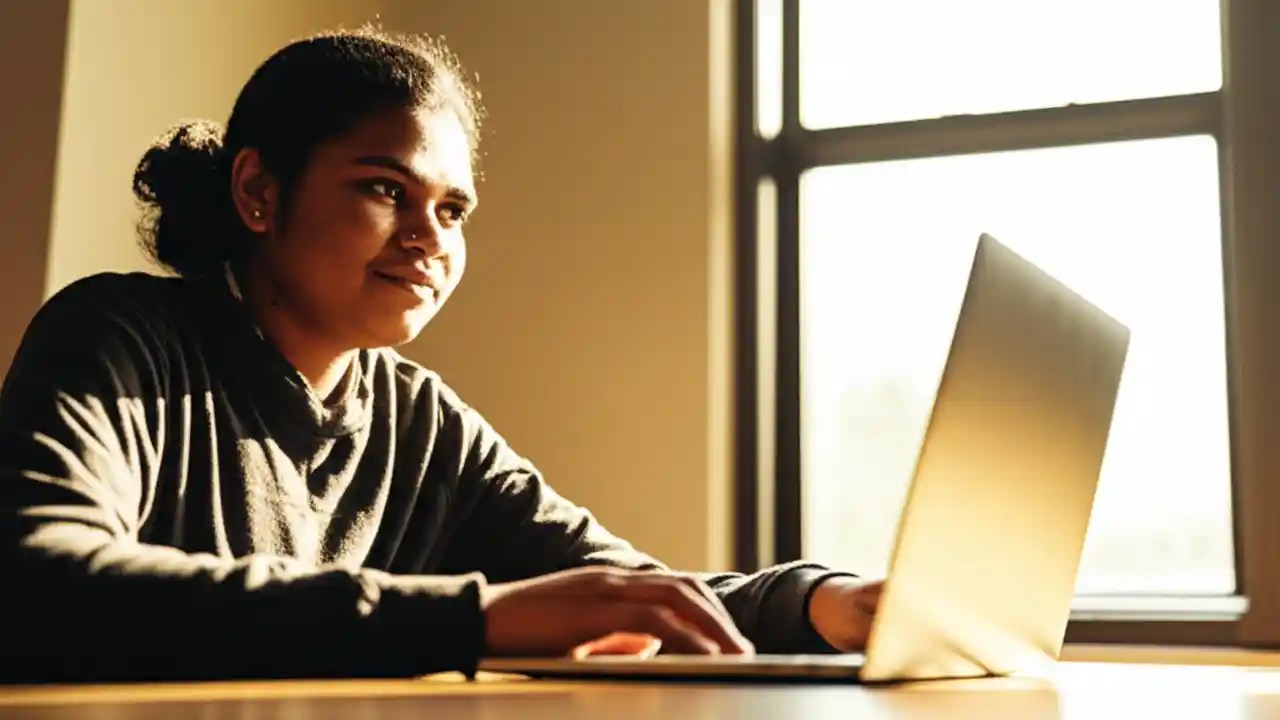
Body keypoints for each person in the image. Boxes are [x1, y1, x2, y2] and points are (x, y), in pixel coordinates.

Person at [0, 28, 881, 682]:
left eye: (453, 210)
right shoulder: (117, 334)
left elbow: (625, 592)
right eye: (386, 190)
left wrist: (817, 604)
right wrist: (477, 618)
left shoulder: (418, 420)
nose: (430, 238)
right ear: (259, 191)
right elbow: (41, 581)